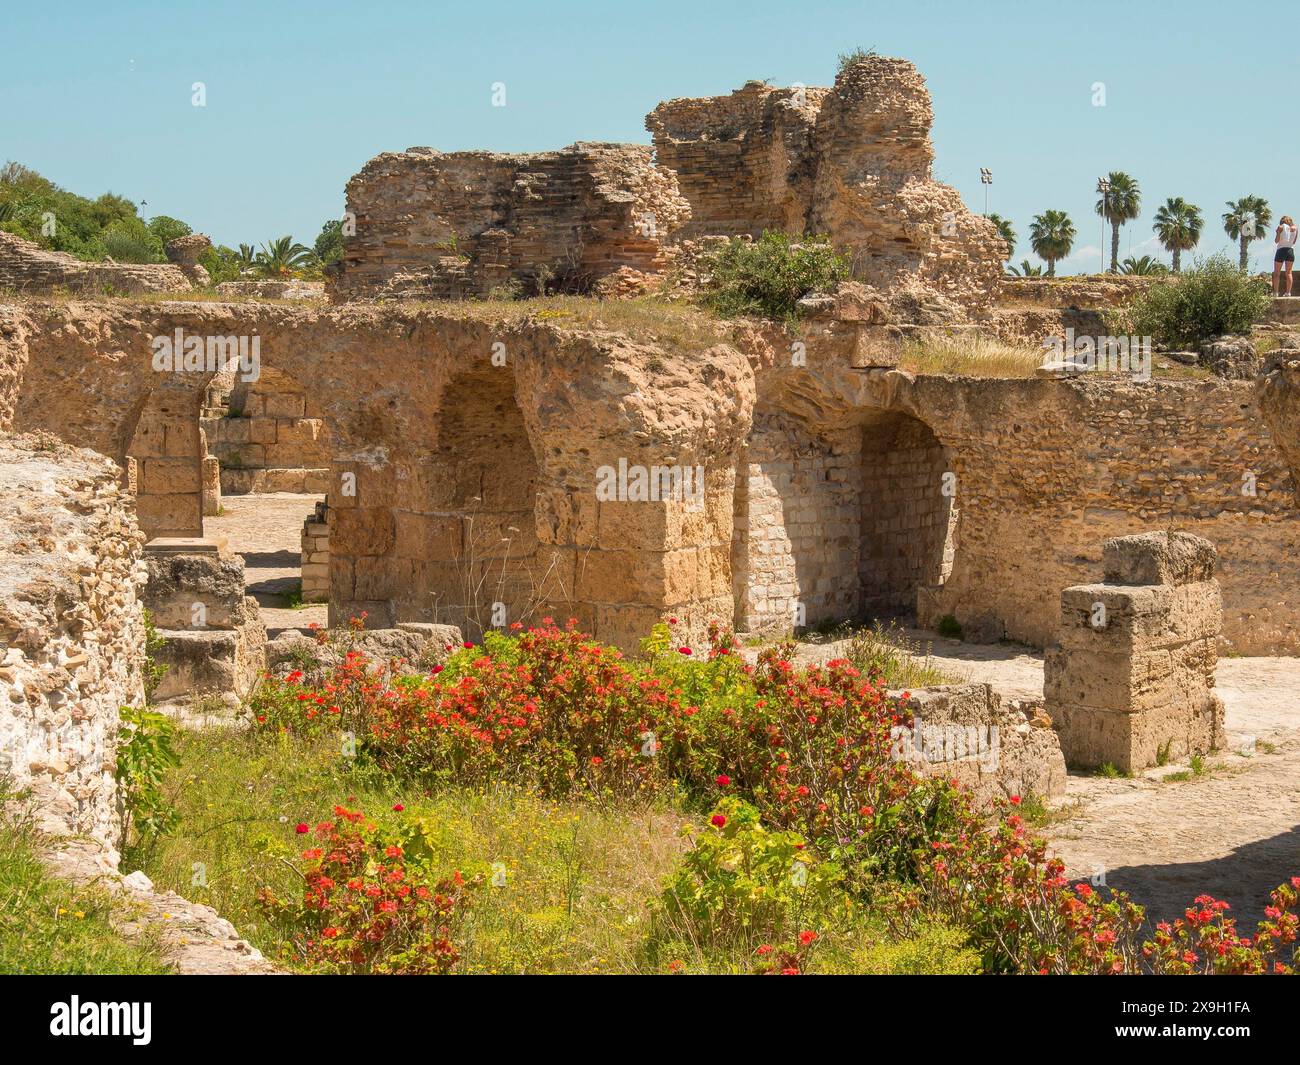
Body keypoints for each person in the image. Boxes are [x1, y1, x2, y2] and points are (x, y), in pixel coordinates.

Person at [1274, 216, 1297, 296]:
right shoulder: (1295, 228)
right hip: (1290, 251)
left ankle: (1276, 292)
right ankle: (1288, 292)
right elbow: (1294, 242)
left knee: (1277, 273)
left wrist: (1277, 232)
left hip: (1281, 250)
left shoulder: (1280, 227)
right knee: (1289, 273)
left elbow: (1276, 241)